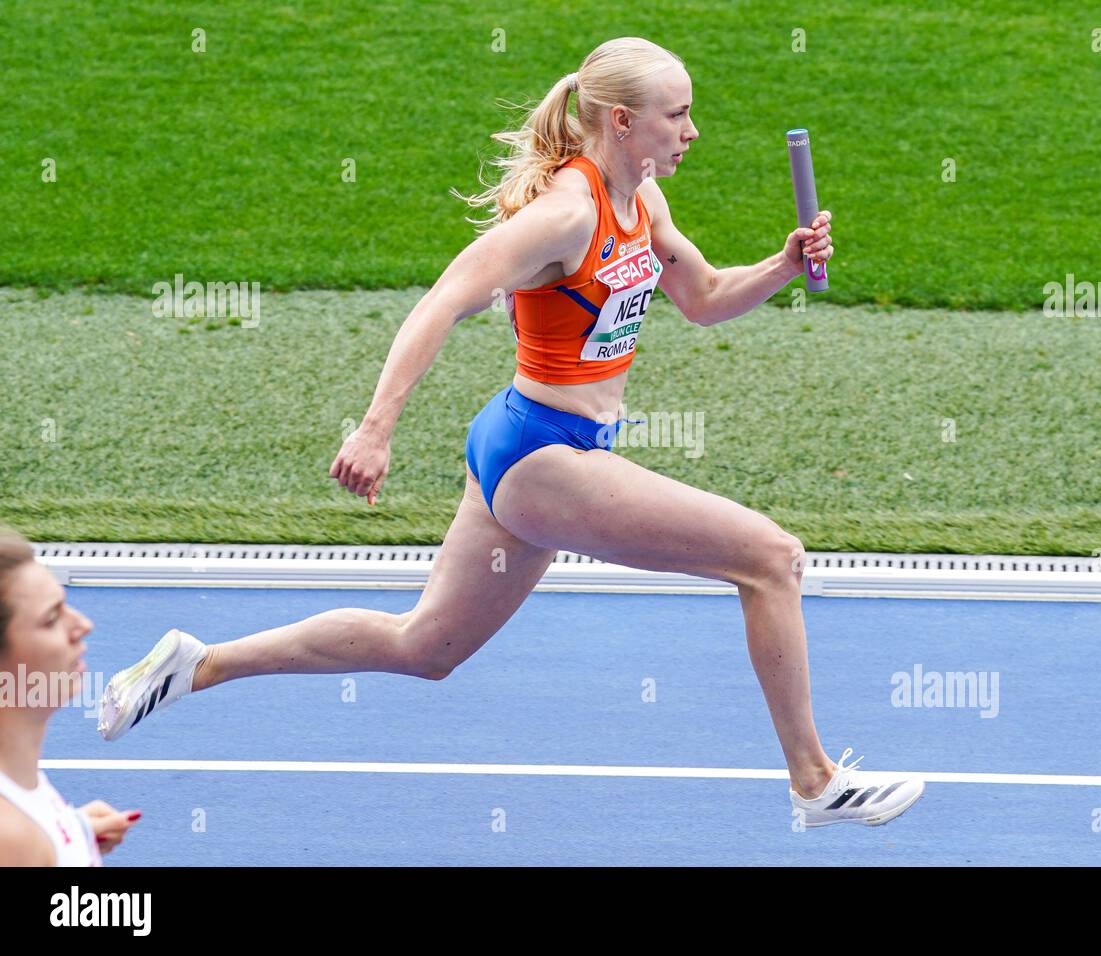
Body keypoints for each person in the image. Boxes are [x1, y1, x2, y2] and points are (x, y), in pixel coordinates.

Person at [99, 36, 923, 828]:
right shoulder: (566, 214)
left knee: (425, 647)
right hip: (542, 455)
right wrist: (376, 428)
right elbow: (443, 301)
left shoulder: (643, 199)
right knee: (771, 558)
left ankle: (198, 663)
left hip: (532, 448)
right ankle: (814, 781)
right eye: (677, 115)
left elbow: (703, 298)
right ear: (622, 121)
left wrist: (782, 265)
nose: (692, 131)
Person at [0, 529, 141, 865]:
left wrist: (72, 833)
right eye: (51, 619)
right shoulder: (12, 841)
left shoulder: (20, 795)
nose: (83, 624)